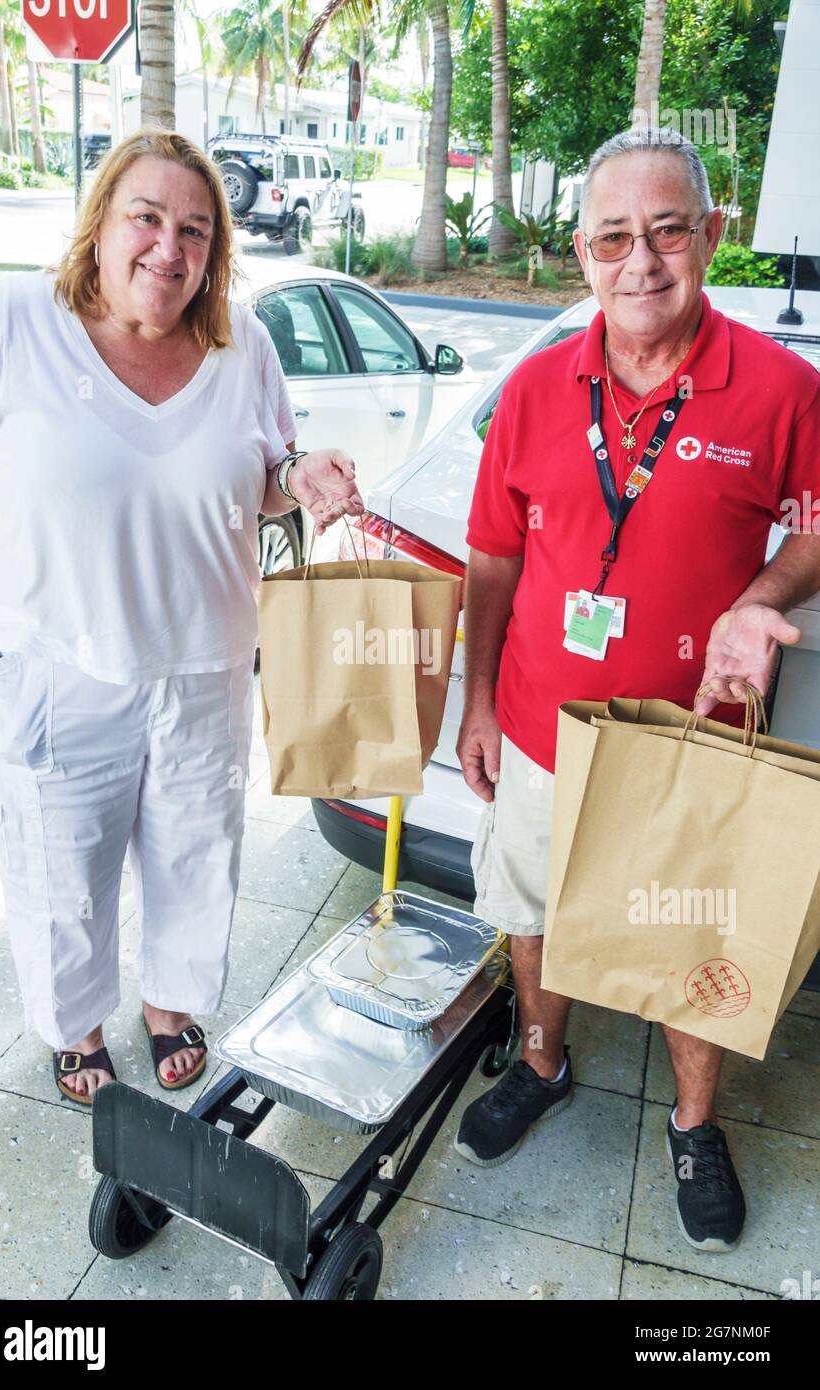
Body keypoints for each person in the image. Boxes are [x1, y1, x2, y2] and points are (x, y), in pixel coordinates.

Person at [454, 126, 820, 1252]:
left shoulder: (780, 390)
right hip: (535, 727)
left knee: (685, 940)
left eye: (668, 230)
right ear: (580, 253)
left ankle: (695, 1124)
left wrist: (762, 596)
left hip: (687, 747)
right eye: (613, 236)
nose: (641, 260)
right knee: (530, 913)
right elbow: (492, 559)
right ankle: (541, 1060)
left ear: (710, 237)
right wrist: (473, 704)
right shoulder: (529, 388)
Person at [0, 128, 363, 1105]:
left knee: (196, 852)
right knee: (64, 873)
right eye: (146, 218)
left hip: (203, 665)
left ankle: (171, 1007)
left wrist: (296, 475)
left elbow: (263, 473)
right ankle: (77, 1027)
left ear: (214, 250)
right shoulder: (11, 322)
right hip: (56, 660)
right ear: (101, 222)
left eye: (193, 229)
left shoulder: (240, 346)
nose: (167, 250)